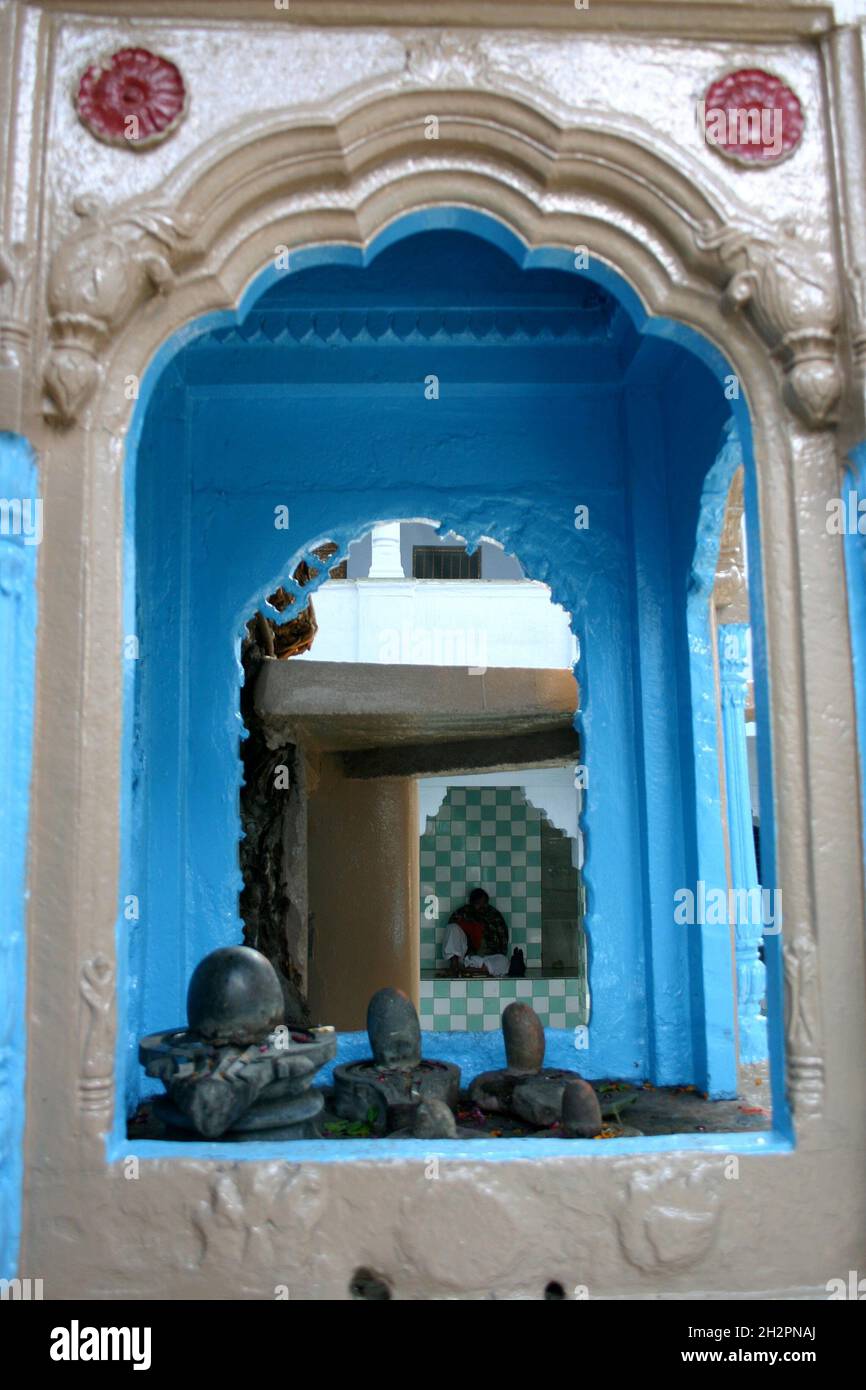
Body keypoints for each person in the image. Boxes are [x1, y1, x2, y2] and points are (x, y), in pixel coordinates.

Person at [443, 888, 513, 977]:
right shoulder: (462, 913)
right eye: (477, 903)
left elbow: (503, 939)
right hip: (468, 958)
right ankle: (456, 967)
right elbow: (452, 935)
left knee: (504, 961)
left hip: (489, 958)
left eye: (483, 903)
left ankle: (470, 971)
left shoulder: (495, 916)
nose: (480, 907)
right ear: (471, 902)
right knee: (452, 927)